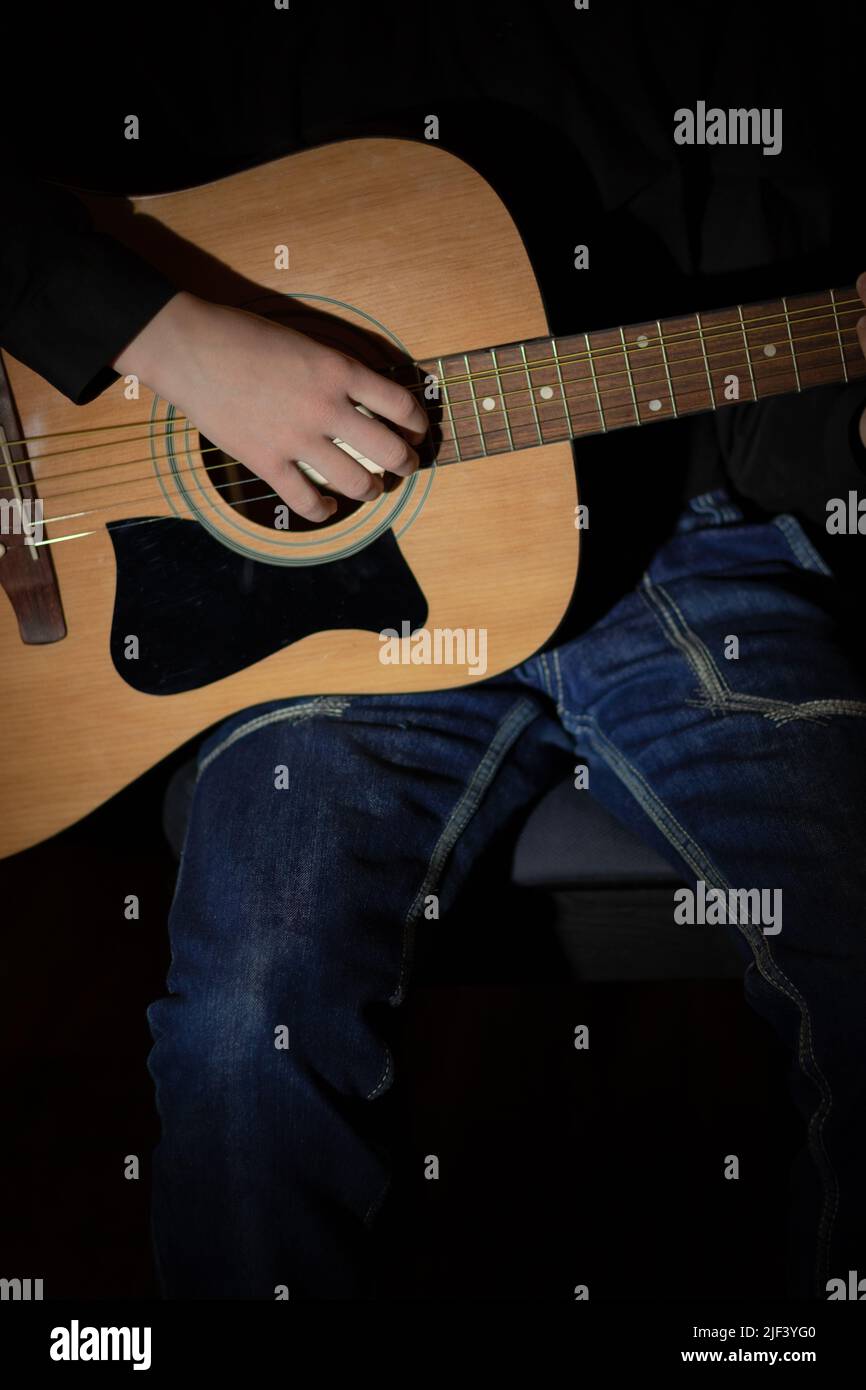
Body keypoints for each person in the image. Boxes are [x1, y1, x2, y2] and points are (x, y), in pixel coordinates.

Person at [3, 2, 866, 1301]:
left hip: (686, 542)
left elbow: (793, 289)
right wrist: (168, 337)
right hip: (311, 625)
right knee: (245, 1029)